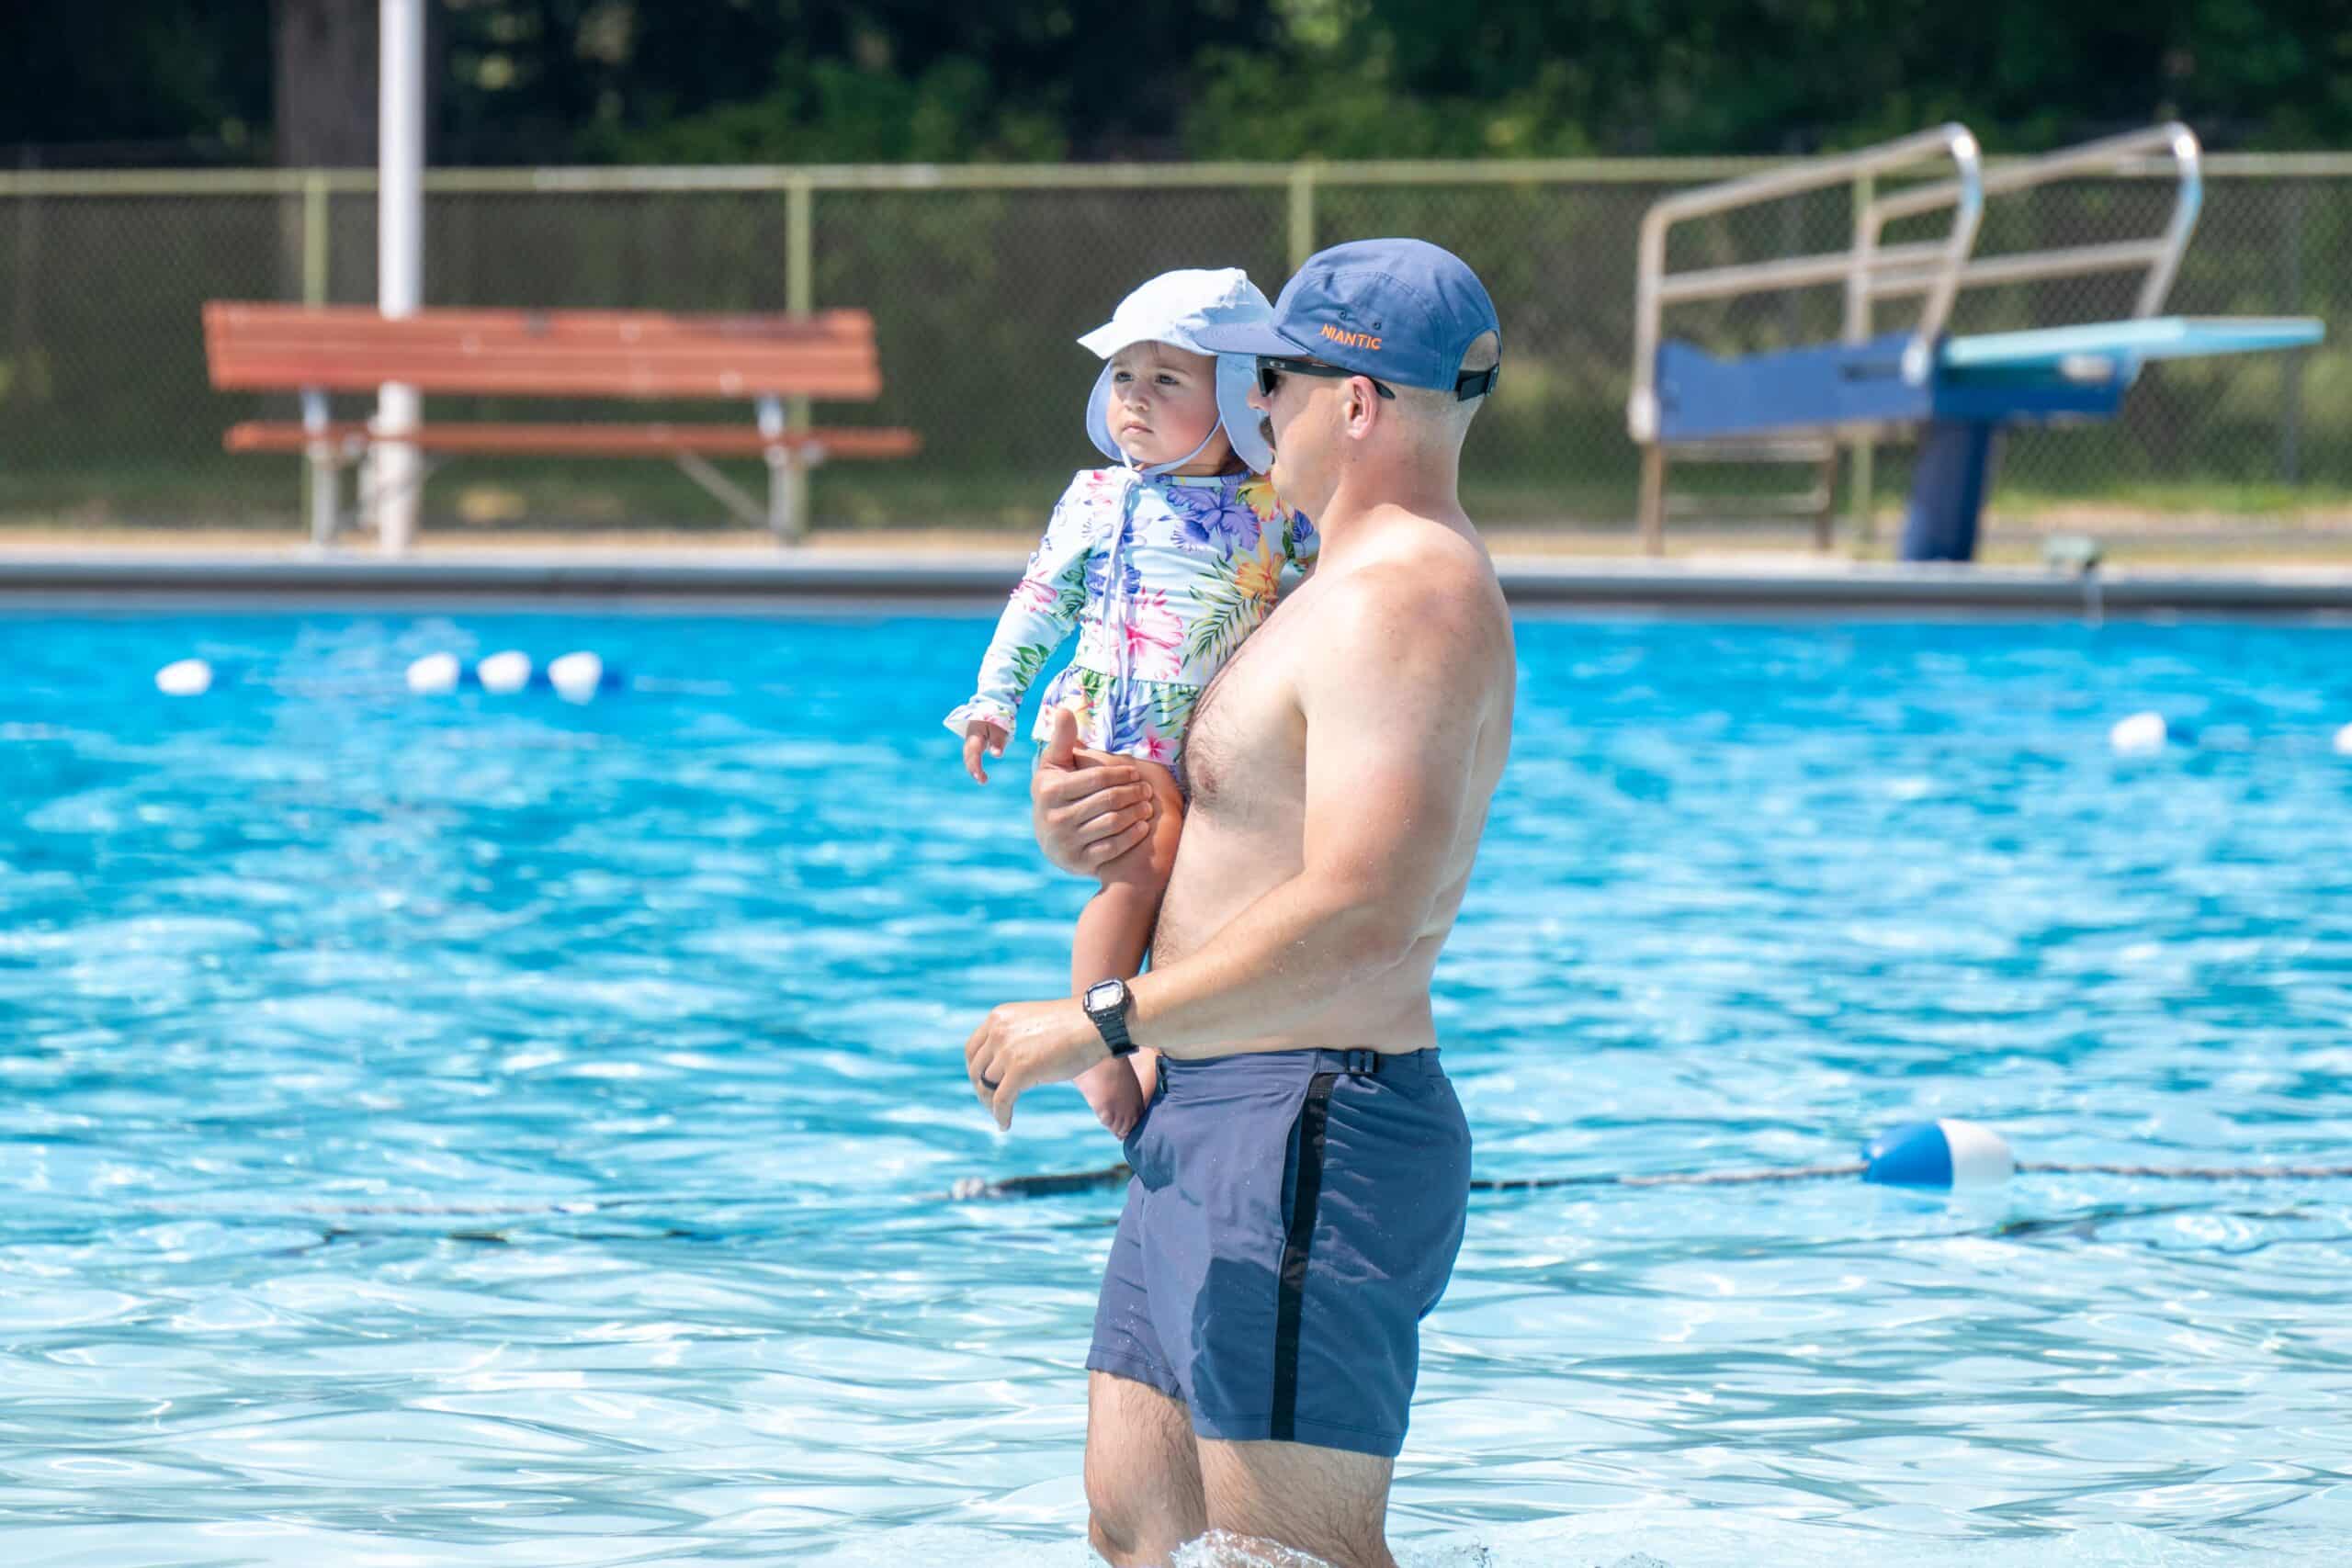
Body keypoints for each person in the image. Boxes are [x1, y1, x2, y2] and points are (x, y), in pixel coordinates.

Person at [962, 238, 1514, 1568]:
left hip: (1308, 1115)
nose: (1253, 406)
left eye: (1273, 379)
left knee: (1289, 1554)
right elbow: (1234, 826)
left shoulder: (1408, 599)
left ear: (1358, 401)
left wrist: (1097, 1015)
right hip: (1211, 1108)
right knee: (1143, 1523)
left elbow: (1362, 910)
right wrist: (1093, 824)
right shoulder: (1316, 589)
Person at [944, 267, 1317, 1138]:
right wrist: (994, 696)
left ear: (1237, 395)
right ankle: (1099, 1048)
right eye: (1121, 377)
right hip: (1123, 728)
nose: (1134, 401)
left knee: (1200, 884)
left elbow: (1345, 558)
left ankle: (1156, 1039)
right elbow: (1040, 599)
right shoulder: (1102, 497)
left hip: (1217, 739)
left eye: (1166, 380)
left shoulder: (1275, 503)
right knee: (1143, 868)